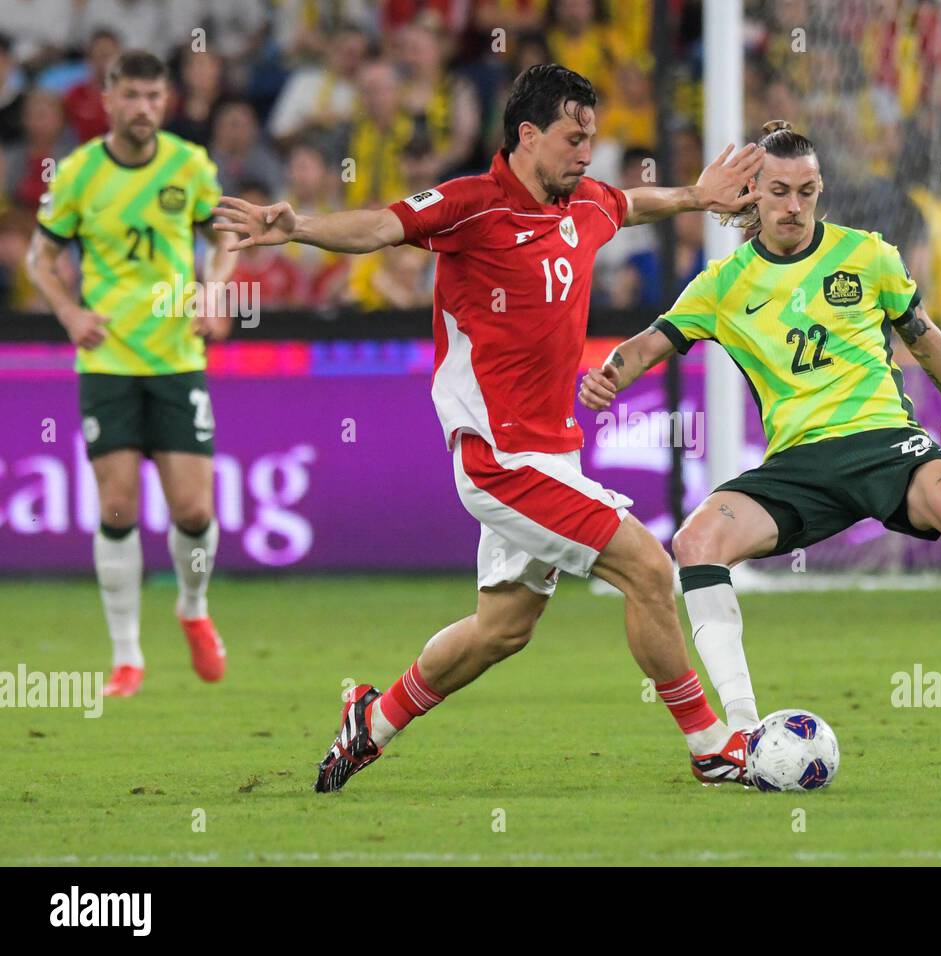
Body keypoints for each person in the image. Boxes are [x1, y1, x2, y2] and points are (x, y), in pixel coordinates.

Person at [214, 64, 766, 792]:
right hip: (497, 456)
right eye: (574, 138)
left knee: (502, 628)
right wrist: (298, 227)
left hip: (553, 457)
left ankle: (371, 720)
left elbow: (632, 204)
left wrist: (697, 195)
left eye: (593, 138)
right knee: (649, 569)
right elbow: (381, 226)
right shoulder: (471, 206)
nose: (586, 152)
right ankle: (708, 745)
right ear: (528, 135)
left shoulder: (585, 204)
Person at [580, 121, 941, 779]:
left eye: (806, 191)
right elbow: (647, 345)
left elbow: (926, 339)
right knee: (695, 544)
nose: (793, 205)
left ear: (819, 190)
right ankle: (741, 730)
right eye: (778, 191)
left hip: (886, 443)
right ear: (752, 196)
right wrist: (609, 375)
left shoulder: (869, 256)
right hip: (798, 465)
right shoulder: (723, 284)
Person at [24, 50, 239, 697]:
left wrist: (214, 289)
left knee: (194, 508)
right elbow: (42, 254)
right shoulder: (81, 173)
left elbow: (225, 236)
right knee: (117, 504)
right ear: (110, 101)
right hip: (109, 359)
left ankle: (194, 608)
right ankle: (127, 657)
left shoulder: (189, 165)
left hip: (176, 358)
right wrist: (67, 311)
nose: (144, 108)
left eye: (154, 96)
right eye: (132, 96)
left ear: (165, 100)